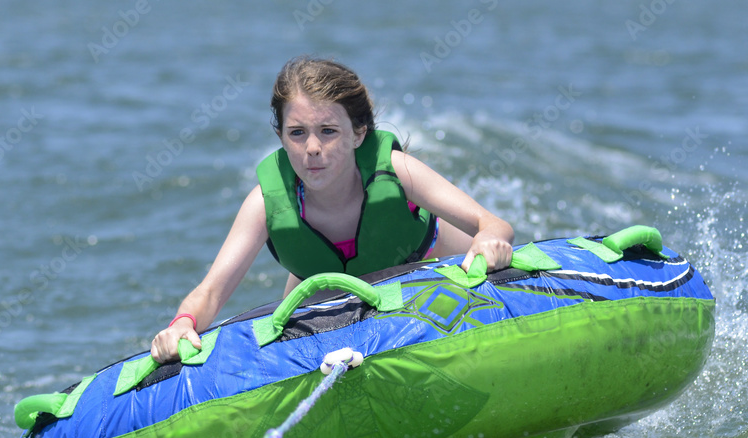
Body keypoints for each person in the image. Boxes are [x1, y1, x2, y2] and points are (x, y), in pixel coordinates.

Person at [150, 56, 513, 363]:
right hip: (331, 305)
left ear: (358, 134)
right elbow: (211, 292)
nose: (312, 148)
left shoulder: (396, 171)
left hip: (426, 271)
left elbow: (493, 224)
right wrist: (182, 323)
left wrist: (490, 242)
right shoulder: (264, 204)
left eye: (328, 131)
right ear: (280, 138)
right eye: (296, 133)